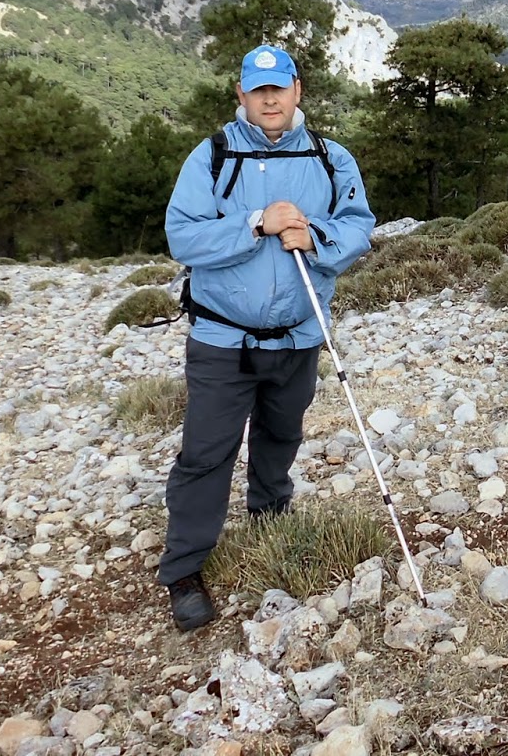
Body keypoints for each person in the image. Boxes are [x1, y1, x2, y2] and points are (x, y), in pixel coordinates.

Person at [158, 43, 375, 632]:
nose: (270, 99)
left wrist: (317, 237)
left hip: (298, 334)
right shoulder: (212, 157)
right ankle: (184, 567)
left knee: (281, 436)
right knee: (206, 453)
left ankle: (270, 523)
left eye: (280, 87)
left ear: (297, 90)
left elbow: (359, 227)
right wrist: (256, 224)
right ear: (242, 96)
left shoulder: (331, 158)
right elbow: (184, 238)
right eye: (259, 90)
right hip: (222, 336)